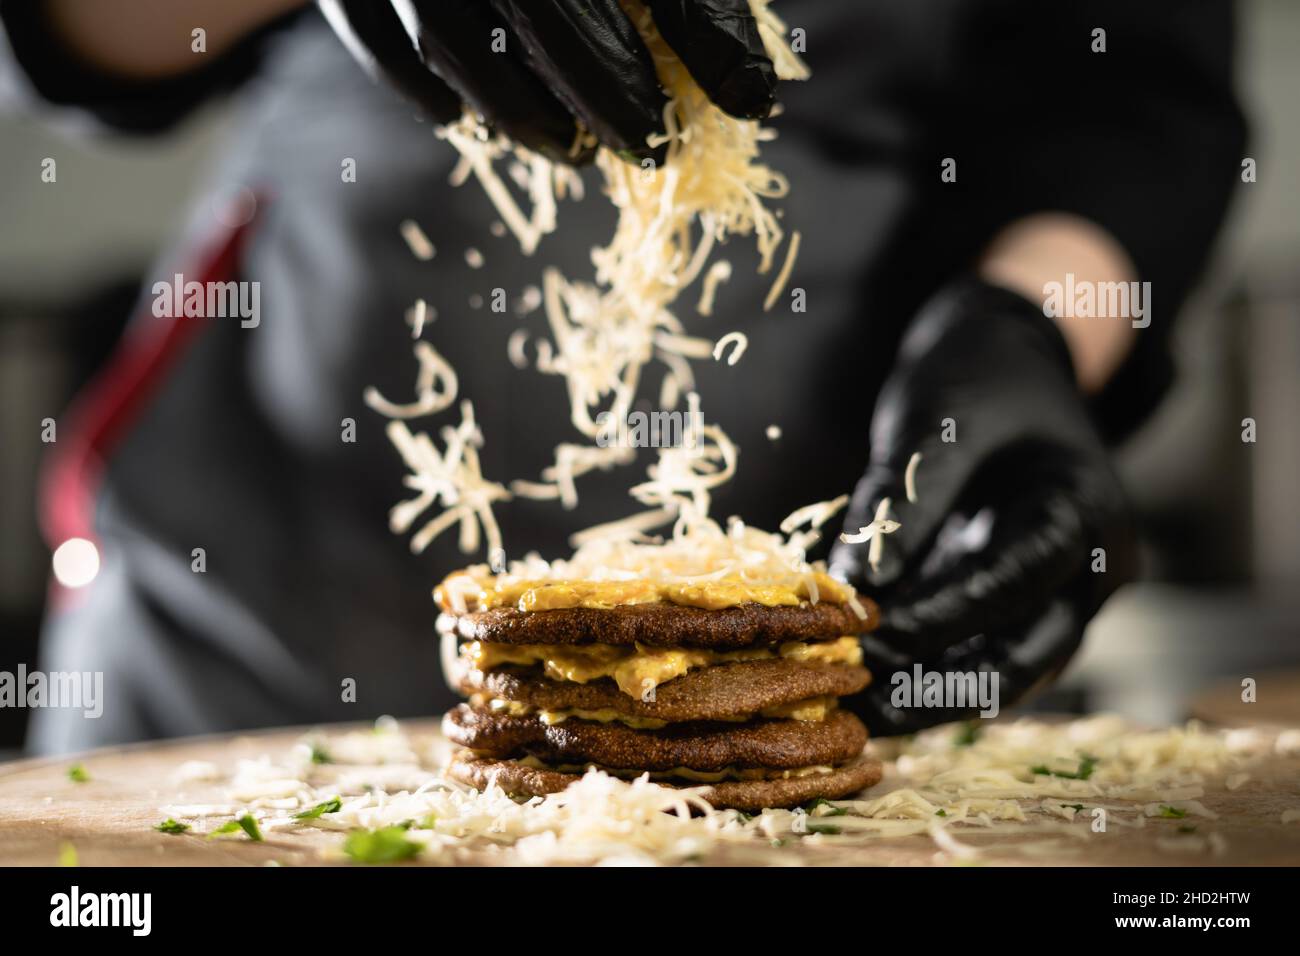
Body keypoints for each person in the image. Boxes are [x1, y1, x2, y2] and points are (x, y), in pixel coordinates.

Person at [2, 0, 1245, 751]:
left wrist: (1029, 331)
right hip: (248, 602)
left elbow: (1133, 106)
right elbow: (75, 43)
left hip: (830, 639)